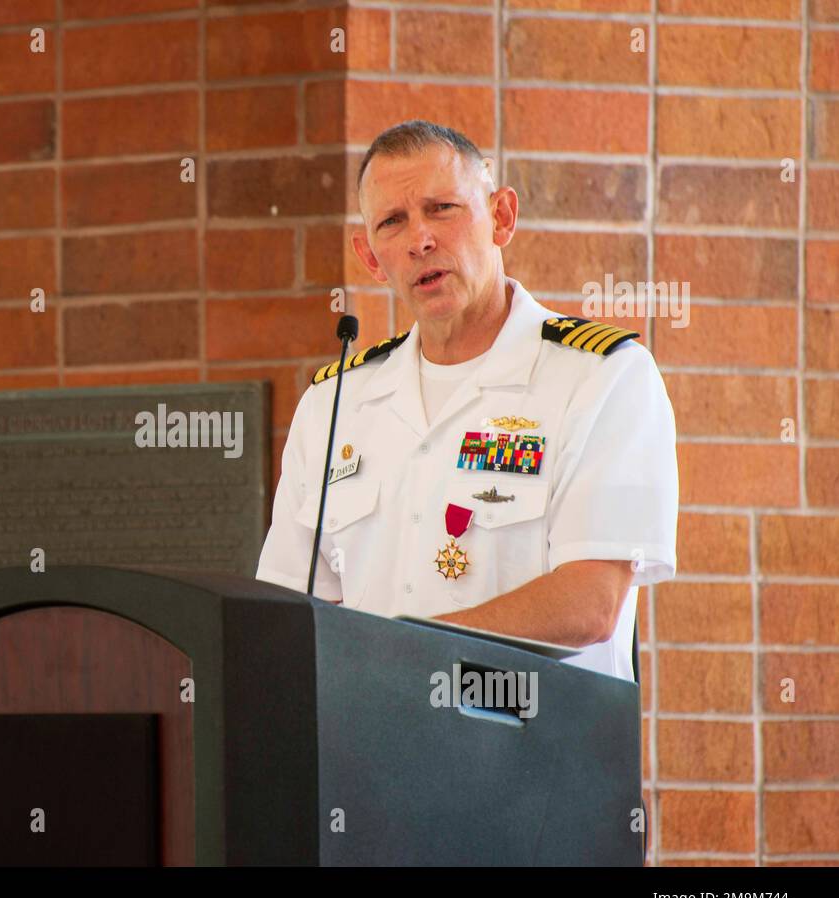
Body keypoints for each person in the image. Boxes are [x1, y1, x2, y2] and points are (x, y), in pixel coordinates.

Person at [254, 120, 678, 680]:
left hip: (532, 729)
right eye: (392, 222)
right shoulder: (333, 405)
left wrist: (406, 655)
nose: (420, 240)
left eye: (442, 209)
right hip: (369, 730)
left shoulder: (602, 376)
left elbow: (590, 602)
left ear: (502, 217)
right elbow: (291, 612)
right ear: (371, 257)